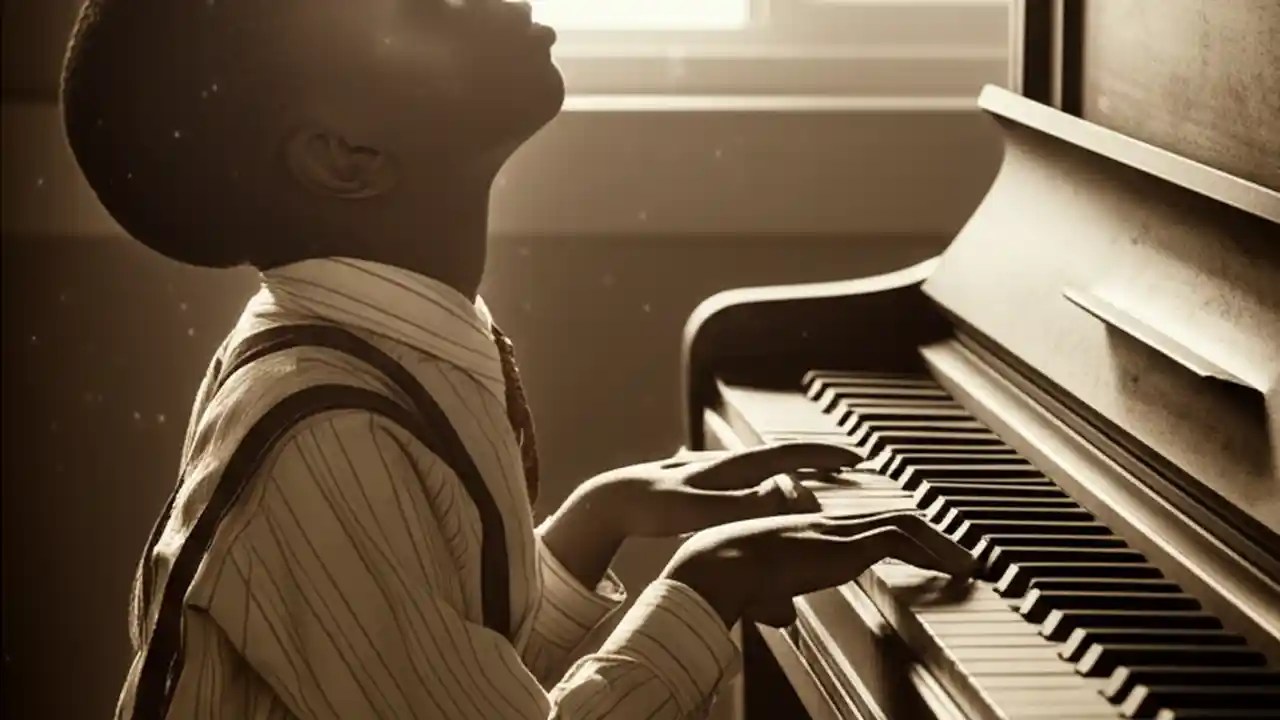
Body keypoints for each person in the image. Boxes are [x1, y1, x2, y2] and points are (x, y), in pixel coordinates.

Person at [61, 1, 975, 718]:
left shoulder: (378, 343)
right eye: (422, 4)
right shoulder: (327, 436)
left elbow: (439, 677)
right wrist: (708, 584)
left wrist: (589, 526)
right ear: (347, 158)